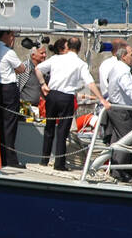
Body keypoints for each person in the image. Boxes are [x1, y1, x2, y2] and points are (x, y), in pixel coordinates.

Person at [35, 36, 110, 171]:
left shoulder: (56, 58)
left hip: (52, 95)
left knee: (49, 128)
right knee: (62, 132)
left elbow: (38, 69)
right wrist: (101, 99)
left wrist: (43, 85)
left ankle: (44, 160)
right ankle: (59, 164)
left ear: (67, 47)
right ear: (79, 49)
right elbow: (90, 83)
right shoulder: (80, 64)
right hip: (67, 97)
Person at [100, 45, 132, 178]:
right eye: (131, 55)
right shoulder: (123, 70)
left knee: (117, 139)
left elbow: (108, 82)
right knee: (128, 139)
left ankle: (114, 169)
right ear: (123, 56)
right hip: (121, 110)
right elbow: (130, 88)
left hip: (114, 106)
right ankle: (118, 171)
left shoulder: (115, 67)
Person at [0, 30, 25, 168]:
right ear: (5, 35)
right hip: (8, 88)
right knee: (10, 124)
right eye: (12, 35)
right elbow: (22, 68)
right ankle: (10, 159)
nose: (13, 39)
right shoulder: (8, 52)